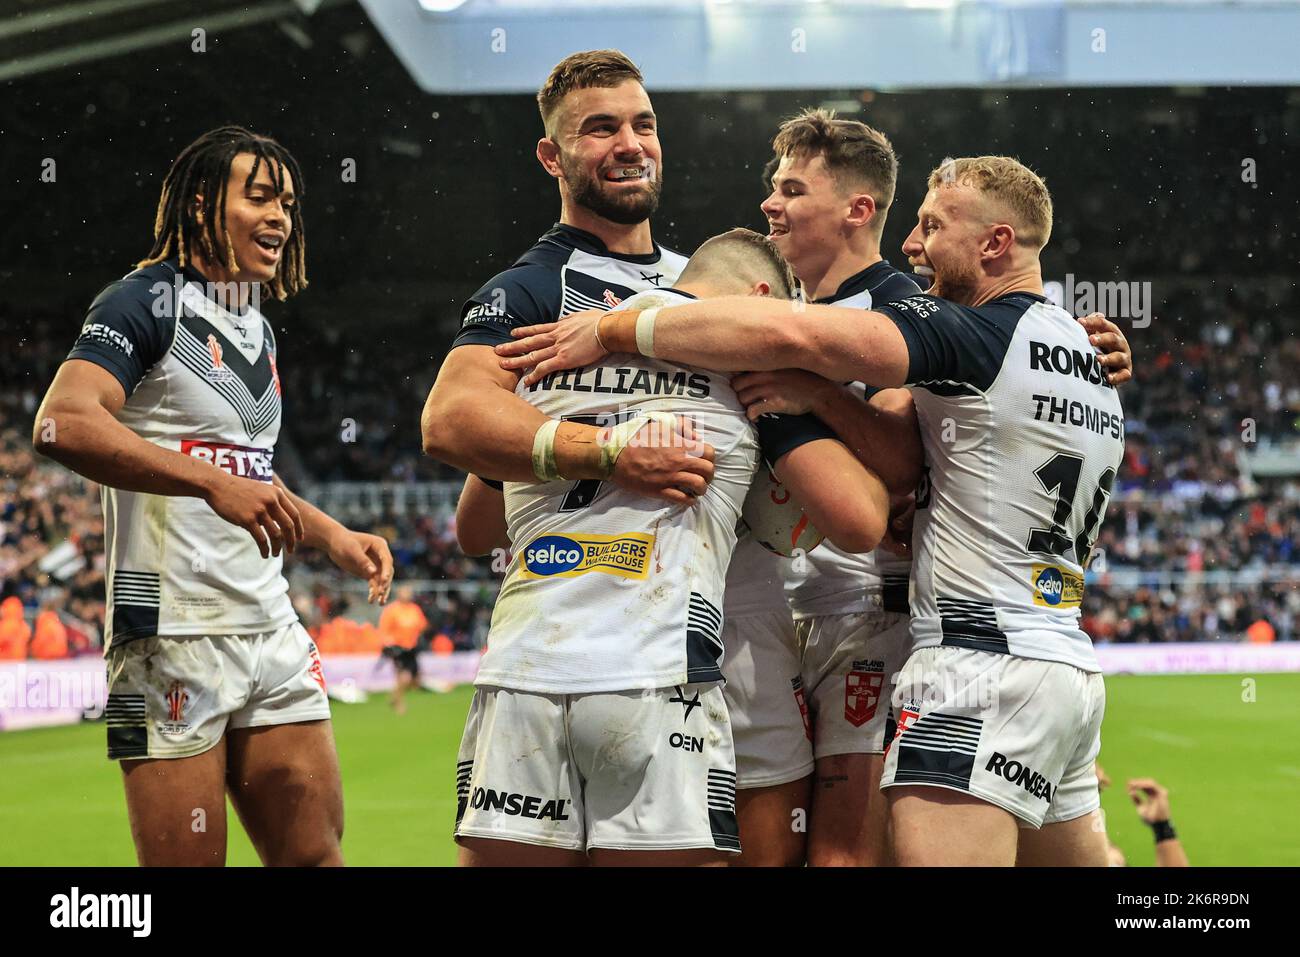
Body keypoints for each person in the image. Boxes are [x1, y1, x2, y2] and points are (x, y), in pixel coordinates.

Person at [498, 153, 1128, 866]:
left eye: (932, 226)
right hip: (1064, 665)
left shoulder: (971, 333)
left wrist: (615, 329)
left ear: (995, 243)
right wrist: (825, 397)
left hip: (975, 665)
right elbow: (904, 451)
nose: (913, 245)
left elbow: (795, 335)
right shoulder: (1087, 353)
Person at [32, 126, 394, 867]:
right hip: (167, 633)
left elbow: (246, 468)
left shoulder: (254, 324)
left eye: (288, 204)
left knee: (317, 859)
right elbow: (61, 422)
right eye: (258, 197)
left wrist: (330, 533)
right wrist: (209, 481)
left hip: (269, 625)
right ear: (201, 203)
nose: (280, 218)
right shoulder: (142, 301)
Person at [379, 586, 430, 714]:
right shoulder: (392, 610)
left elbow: (422, 625)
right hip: (398, 648)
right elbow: (384, 629)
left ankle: (393, 697)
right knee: (404, 677)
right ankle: (398, 702)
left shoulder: (414, 609)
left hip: (411, 648)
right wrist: (389, 644)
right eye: (404, 592)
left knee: (414, 680)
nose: (407, 595)